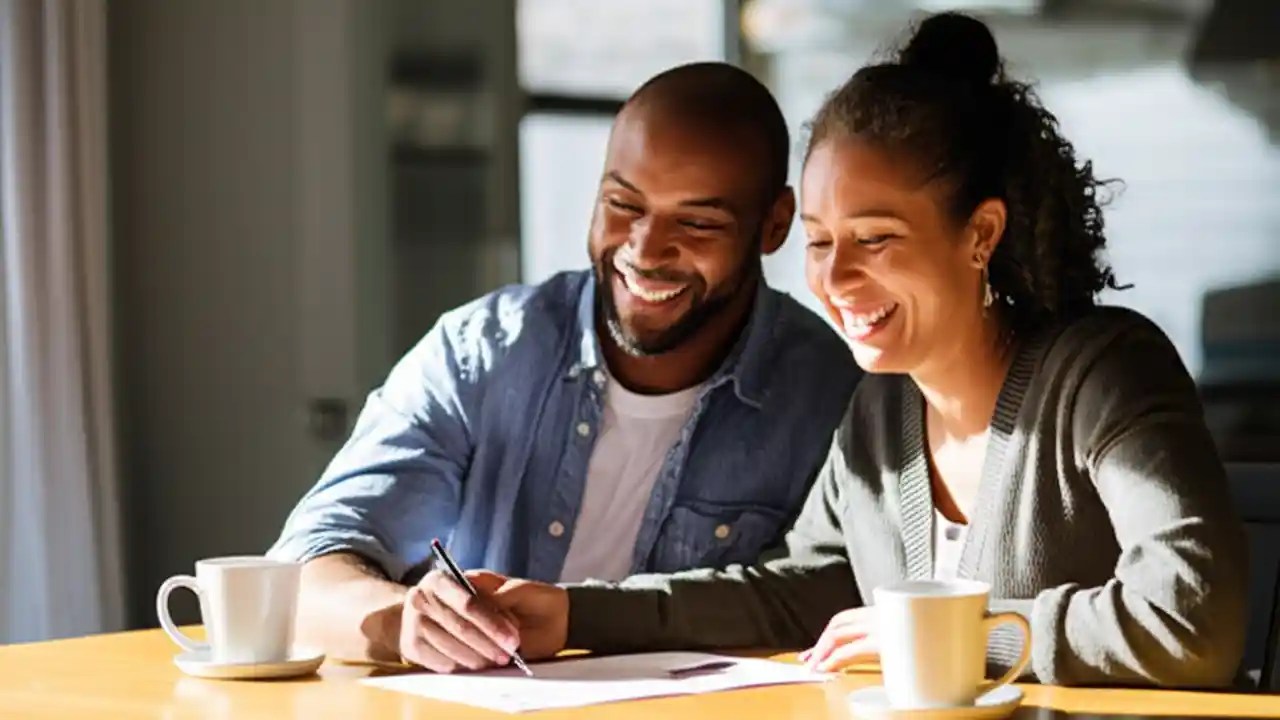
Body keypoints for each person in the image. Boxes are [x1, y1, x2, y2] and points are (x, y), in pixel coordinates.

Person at [408, 14, 1250, 688]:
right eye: (817, 241)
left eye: (876, 239)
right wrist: (572, 614)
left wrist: (950, 635)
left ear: (980, 234)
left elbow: (1193, 619)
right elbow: (798, 593)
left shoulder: (1102, 374)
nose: (836, 277)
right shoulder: (882, 411)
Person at [265, 62, 861, 670]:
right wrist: (403, 623)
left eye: (697, 222)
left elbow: (833, 598)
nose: (644, 251)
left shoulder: (832, 397)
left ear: (776, 225)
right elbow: (302, 573)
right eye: (623, 204)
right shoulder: (483, 351)